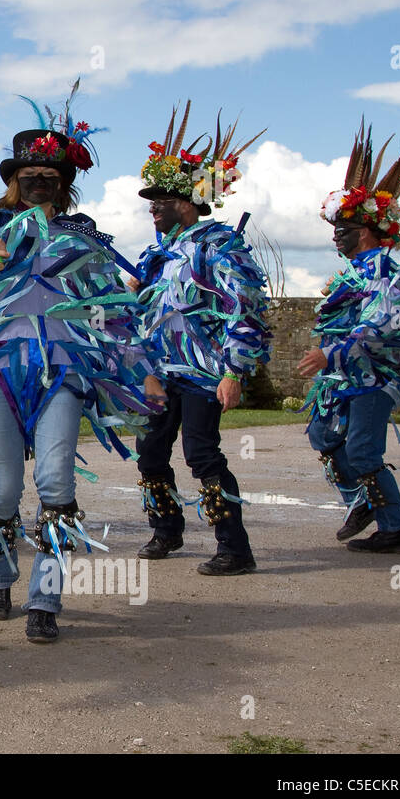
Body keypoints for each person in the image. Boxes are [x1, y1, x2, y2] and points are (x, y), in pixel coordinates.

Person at [0, 87, 162, 643]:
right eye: (31, 171)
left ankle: (45, 597)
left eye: (52, 172)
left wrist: (141, 368)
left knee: (55, 478)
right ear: (12, 178)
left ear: (66, 181)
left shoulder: (84, 240)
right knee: (2, 487)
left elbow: (112, 316)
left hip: (64, 371)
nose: (41, 180)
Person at [131, 103, 271, 576]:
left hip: (205, 372)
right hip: (160, 373)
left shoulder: (219, 247)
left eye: (161, 200)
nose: (152, 207)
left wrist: (234, 371)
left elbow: (246, 309)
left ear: (187, 203)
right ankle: (166, 530)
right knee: (150, 453)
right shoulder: (157, 254)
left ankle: (234, 548)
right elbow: (139, 307)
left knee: (201, 453)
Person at [297, 122, 400, 553]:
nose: (336, 234)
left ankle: (394, 529)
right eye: (335, 227)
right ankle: (361, 501)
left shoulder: (387, 272)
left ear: (373, 230)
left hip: (377, 376)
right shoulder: (352, 273)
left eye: (346, 227)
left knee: (361, 451)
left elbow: (382, 324)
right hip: (344, 375)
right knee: (322, 435)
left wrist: (330, 353)